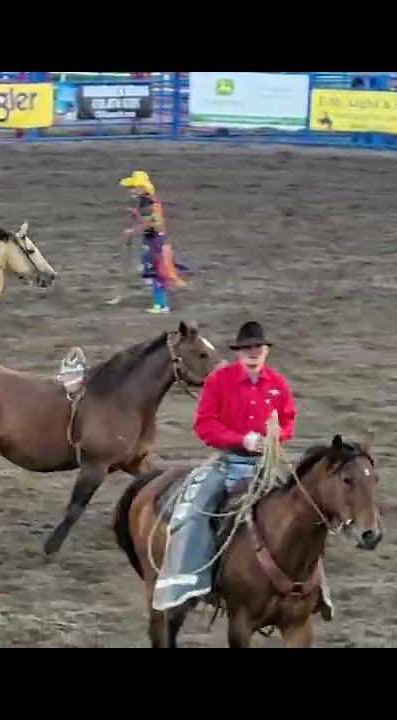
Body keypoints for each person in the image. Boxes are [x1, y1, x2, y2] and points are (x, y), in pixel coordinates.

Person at [152, 321, 335, 620]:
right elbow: (204, 425)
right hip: (227, 462)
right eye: (248, 348)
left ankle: (318, 591)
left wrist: (276, 435)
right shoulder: (218, 381)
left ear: (265, 352)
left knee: (308, 510)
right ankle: (186, 584)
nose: (253, 353)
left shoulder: (277, 383)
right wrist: (241, 439)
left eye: (258, 348)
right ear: (239, 352)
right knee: (195, 511)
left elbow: (288, 420)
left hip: (266, 463)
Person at [119, 170, 186, 315]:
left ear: (142, 187)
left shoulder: (148, 203)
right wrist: (136, 217)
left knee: (152, 273)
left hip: (155, 242)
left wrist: (132, 231)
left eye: (134, 187)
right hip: (154, 241)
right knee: (153, 272)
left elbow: (153, 224)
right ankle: (160, 304)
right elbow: (149, 222)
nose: (131, 190)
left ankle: (161, 305)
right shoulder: (148, 201)